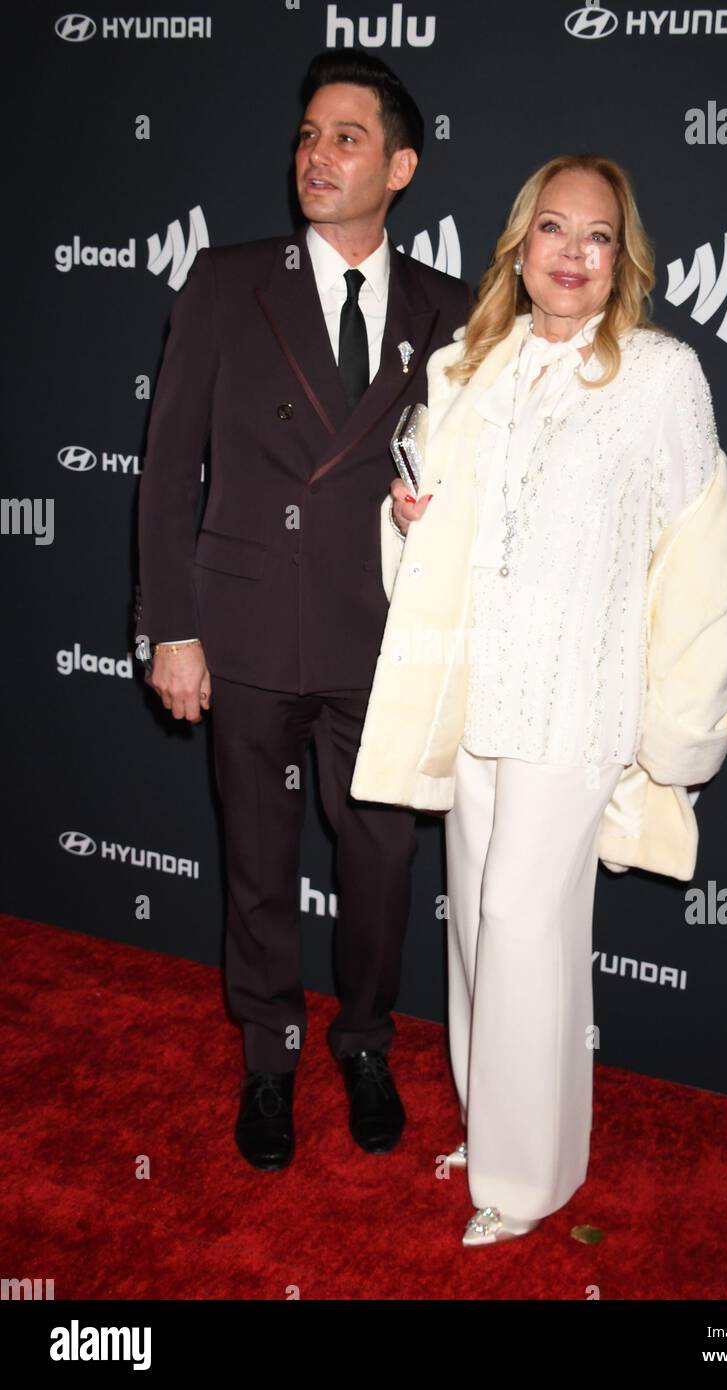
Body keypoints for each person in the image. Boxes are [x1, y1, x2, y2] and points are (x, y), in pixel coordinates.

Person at [350, 154, 727, 1244]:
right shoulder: (466, 366)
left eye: (596, 235)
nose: (572, 255)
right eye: (552, 229)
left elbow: (698, 554)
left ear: (620, 255)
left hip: (574, 700)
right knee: (475, 934)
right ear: (518, 246)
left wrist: (674, 714)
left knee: (523, 926)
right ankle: (494, 1133)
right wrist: (406, 524)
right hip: (477, 690)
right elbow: (435, 536)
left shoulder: (657, 373)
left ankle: (526, 1181)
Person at [135, 51, 471, 1172]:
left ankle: (365, 1042)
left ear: (402, 166)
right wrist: (170, 627)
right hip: (246, 630)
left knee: (380, 864)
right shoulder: (229, 282)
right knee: (257, 858)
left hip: (385, 642)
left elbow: (477, 475)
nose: (315, 157)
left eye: (345, 138)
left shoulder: (449, 309)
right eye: (307, 135)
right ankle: (271, 1057)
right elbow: (166, 461)